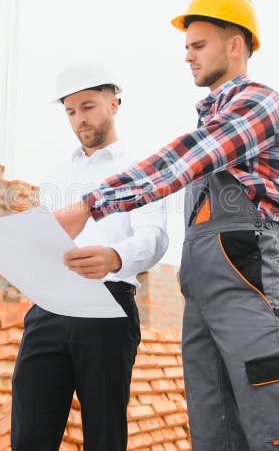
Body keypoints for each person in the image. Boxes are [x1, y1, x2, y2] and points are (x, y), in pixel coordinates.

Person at [53, 0, 279, 450]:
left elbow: (182, 161)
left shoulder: (256, 102)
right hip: (203, 286)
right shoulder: (211, 118)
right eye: (187, 47)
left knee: (275, 426)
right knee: (214, 428)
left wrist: (89, 205)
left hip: (248, 277)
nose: (188, 56)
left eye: (198, 45)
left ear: (235, 45)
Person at [10, 63, 169, 451]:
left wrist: (115, 257)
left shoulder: (140, 168)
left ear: (114, 104)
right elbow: (46, 239)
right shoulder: (57, 174)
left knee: (104, 435)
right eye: (70, 111)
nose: (80, 119)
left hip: (107, 307)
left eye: (88, 106)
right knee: (30, 434)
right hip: (49, 308)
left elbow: (155, 235)